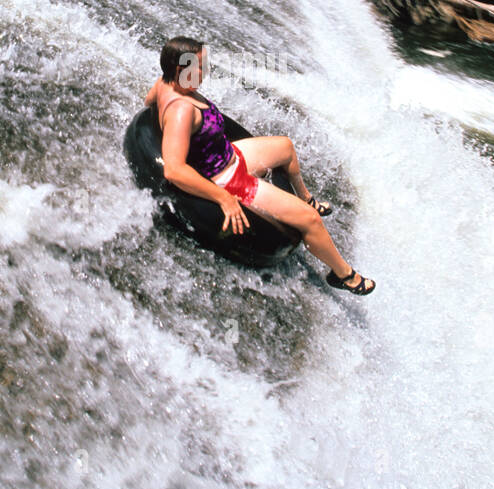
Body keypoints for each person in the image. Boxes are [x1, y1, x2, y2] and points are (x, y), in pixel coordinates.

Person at [144, 36, 375, 295]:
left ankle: (306, 197)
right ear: (179, 70)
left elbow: (148, 102)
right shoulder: (181, 111)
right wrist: (224, 199)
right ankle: (344, 275)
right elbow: (173, 170)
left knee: (285, 147)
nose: (206, 70)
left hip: (226, 154)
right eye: (200, 66)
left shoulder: (164, 83)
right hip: (228, 179)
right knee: (310, 221)